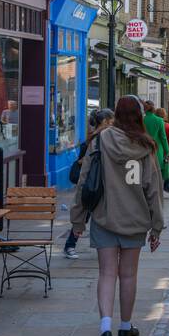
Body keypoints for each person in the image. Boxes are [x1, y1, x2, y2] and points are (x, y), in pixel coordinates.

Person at [71, 96, 164, 336]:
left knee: (107, 274)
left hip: (104, 216)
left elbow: (84, 180)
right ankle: (125, 326)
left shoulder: (101, 140)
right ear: (139, 116)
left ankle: (105, 329)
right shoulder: (146, 146)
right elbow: (153, 189)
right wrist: (157, 226)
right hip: (135, 220)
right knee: (128, 275)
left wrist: (78, 220)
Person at [62, 108, 114, 259]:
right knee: (84, 214)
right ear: (104, 122)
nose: (113, 125)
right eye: (111, 122)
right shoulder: (96, 139)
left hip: (98, 182)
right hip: (93, 182)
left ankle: (73, 245)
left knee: (89, 215)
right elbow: (83, 161)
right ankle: (70, 245)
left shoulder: (96, 137)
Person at [142, 101, 169, 184]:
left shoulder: (142, 120)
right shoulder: (159, 120)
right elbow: (163, 137)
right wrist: (167, 150)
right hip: (158, 150)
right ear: (153, 108)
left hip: (143, 150)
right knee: (157, 175)